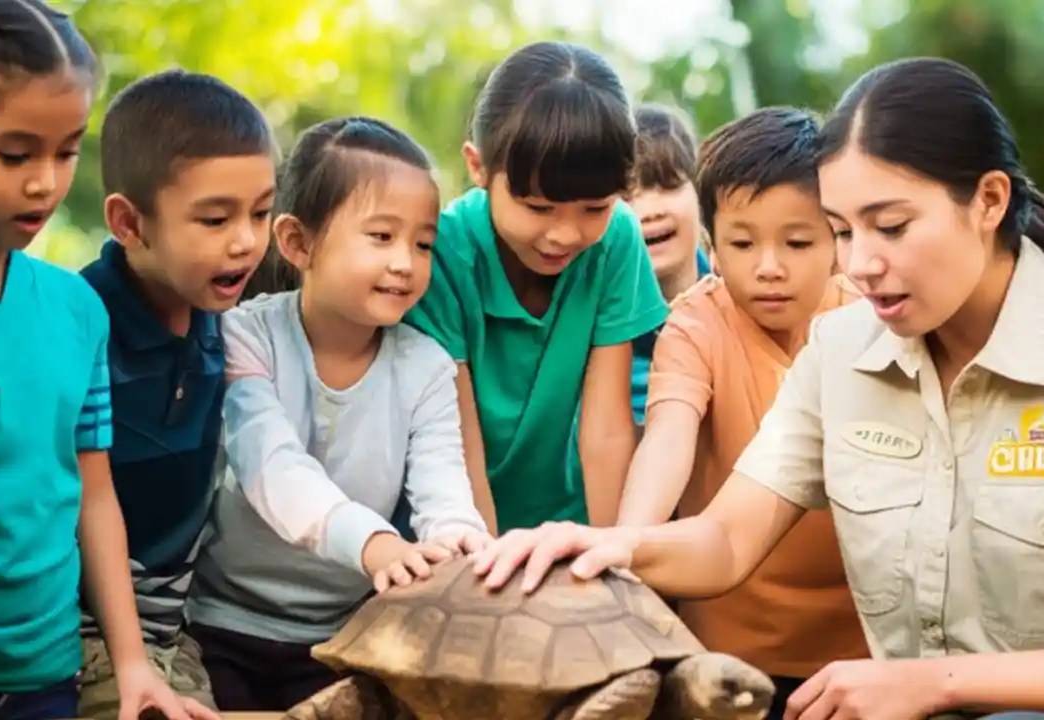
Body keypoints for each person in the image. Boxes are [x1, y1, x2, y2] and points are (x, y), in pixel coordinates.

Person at [473, 57, 1044, 720]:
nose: (859, 264)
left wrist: (932, 685)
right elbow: (728, 538)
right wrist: (607, 546)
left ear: (989, 201)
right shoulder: (840, 352)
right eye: (842, 230)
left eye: (889, 227)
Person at [0, 3, 212, 720]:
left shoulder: (76, 310)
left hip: (47, 670)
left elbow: (94, 494)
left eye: (65, 151)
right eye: (15, 153)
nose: (46, 183)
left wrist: (132, 665)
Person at [185, 116, 491, 712]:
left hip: (346, 635)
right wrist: (376, 544)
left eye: (423, 244)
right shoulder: (246, 336)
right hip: (220, 624)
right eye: (381, 237)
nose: (406, 262)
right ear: (298, 242)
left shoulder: (426, 366)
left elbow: (443, 487)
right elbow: (271, 467)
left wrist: (459, 543)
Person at [618, 107, 869, 719]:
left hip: (863, 655)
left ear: (838, 239)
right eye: (742, 242)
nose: (769, 266)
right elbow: (667, 439)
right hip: (723, 658)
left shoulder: (872, 319)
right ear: (710, 243)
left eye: (798, 241)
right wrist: (628, 542)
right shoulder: (696, 324)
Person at [75, 69, 279, 720]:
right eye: (215, 219)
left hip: (173, 632)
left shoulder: (226, 322)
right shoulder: (81, 326)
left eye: (262, 212)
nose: (246, 241)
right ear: (129, 223)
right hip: (81, 634)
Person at [403, 41, 669, 533]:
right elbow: (456, 442)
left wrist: (614, 554)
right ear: (478, 166)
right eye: (539, 208)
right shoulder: (441, 253)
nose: (566, 234)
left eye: (594, 208)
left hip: (571, 521)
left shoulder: (616, 239)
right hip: (458, 525)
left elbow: (606, 429)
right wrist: (484, 562)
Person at [625, 103, 712, 428]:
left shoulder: (740, 299)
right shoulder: (597, 332)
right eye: (629, 196)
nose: (650, 210)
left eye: (669, 186)